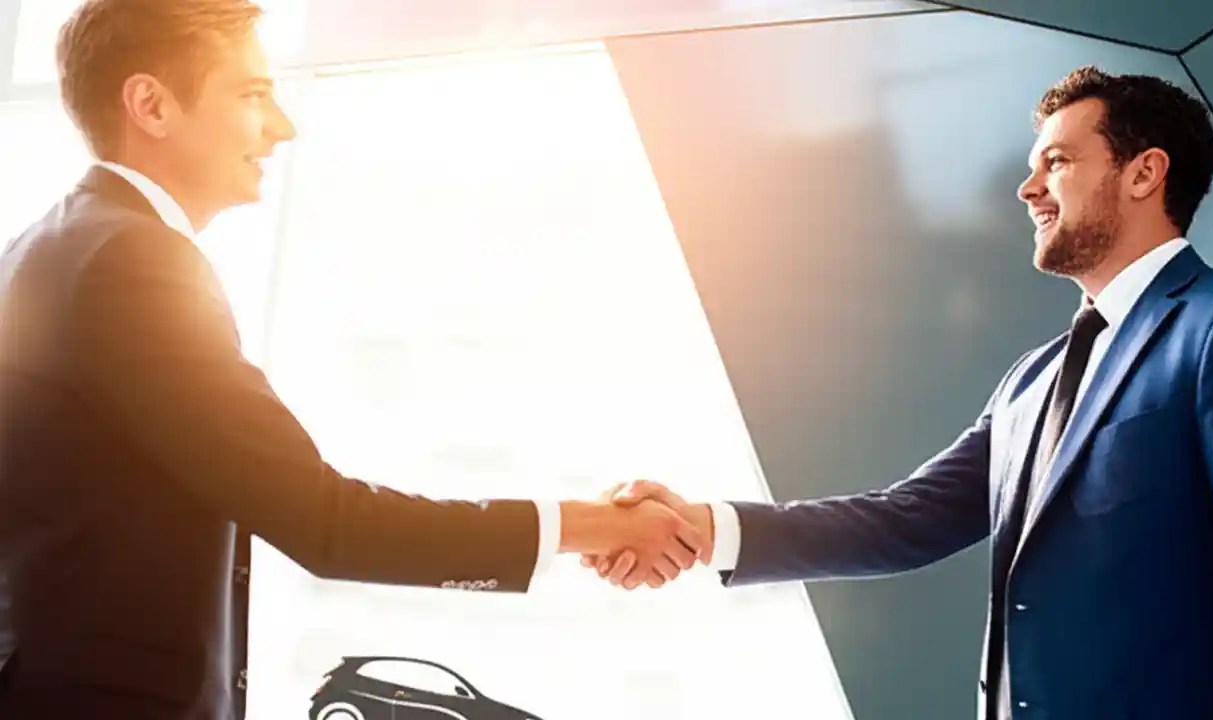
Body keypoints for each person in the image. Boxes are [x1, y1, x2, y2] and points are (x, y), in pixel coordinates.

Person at [0, 1, 703, 717]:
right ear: (151, 104)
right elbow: (326, 522)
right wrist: (599, 523)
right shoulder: (131, 261)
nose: (282, 125)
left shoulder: (60, 245)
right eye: (251, 94)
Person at [590, 66, 1213, 719]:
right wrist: (704, 528)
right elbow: (906, 520)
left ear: (1144, 173)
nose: (1027, 187)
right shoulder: (1030, 382)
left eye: (1058, 162)